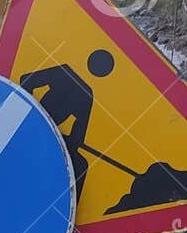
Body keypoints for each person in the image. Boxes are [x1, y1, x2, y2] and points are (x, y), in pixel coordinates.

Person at [19, 49, 115, 196]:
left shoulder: (87, 95)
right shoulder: (63, 72)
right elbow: (26, 80)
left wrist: (61, 139)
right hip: (28, 122)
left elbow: (78, 136)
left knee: (81, 164)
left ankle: (66, 206)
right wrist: (30, 112)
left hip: (52, 133)